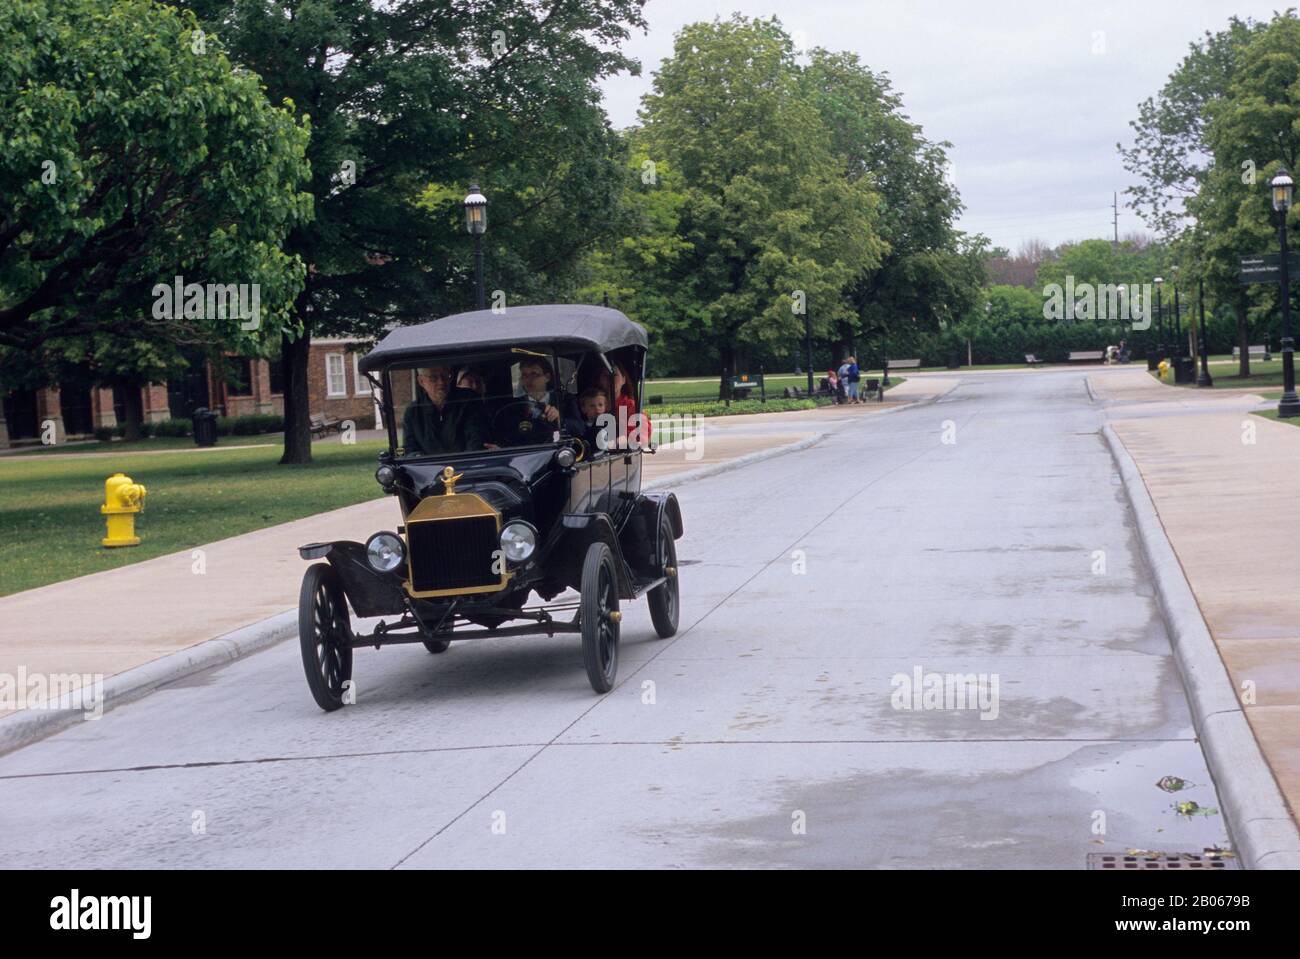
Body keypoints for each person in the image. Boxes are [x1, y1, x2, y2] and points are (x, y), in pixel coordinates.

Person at [402, 365, 484, 455]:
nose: (441, 382)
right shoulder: (413, 412)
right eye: (433, 378)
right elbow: (410, 450)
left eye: (445, 376)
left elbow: (476, 440)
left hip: (466, 464)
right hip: (429, 467)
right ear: (421, 382)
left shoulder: (468, 401)